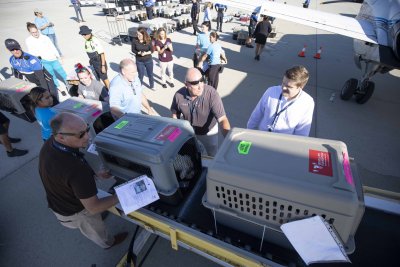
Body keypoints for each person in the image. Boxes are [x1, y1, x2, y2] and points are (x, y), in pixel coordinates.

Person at [38, 112, 128, 248]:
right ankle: (108, 243)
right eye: (81, 135)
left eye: (86, 129)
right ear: (61, 137)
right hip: (75, 211)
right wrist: (121, 195)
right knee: (96, 230)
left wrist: (95, 173)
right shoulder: (76, 170)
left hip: (59, 198)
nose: (88, 136)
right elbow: (93, 207)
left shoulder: (51, 143)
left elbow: (68, 172)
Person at [170, 68, 231, 156]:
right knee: (192, 154)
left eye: (202, 80)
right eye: (195, 83)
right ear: (186, 84)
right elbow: (175, 115)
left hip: (209, 132)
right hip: (189, 132)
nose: (200, 86)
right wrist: (173, 138)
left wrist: (229, 139)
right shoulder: (178, 96)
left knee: (213, 154)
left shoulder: (211, 94)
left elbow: (222, 119)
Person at [247, 66, 314, 136]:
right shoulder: (271, 91)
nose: (284, 88)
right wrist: (249, 132)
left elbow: (303, 130)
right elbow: (257, 114)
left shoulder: (307, 102)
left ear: (301, 87)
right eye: (283, 83)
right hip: (262, 136)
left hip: (283, 142)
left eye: (289, 86)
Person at [26, 22, 67, 89]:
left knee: (62, 72)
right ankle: (58, 87)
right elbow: (31, 52)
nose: (35, 33)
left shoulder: (45, 37)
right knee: (51, 74)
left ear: (37, 30)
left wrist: (58, 57)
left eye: (36, 31)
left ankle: (70, 85)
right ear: (30, 32)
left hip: (53, 59)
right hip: (44, 61)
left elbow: (52, 47)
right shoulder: (28, 40)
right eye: (33, 32)